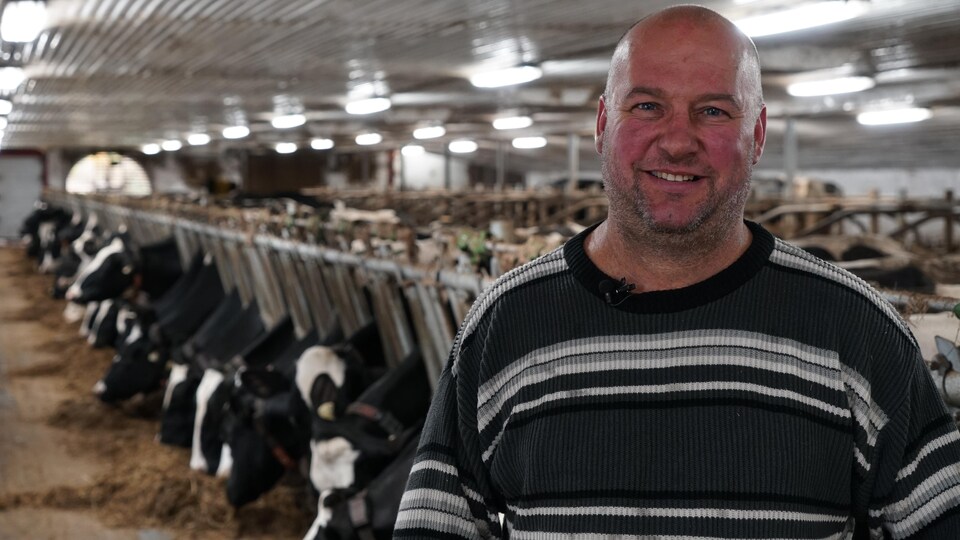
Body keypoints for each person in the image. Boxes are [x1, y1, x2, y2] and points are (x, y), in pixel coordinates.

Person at [393, 5, 960, 539]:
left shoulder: (858, 331)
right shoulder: (504, 324)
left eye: (713, 111)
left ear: (757, 135)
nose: (678, 141)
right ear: (601, 123)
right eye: (646, 106)